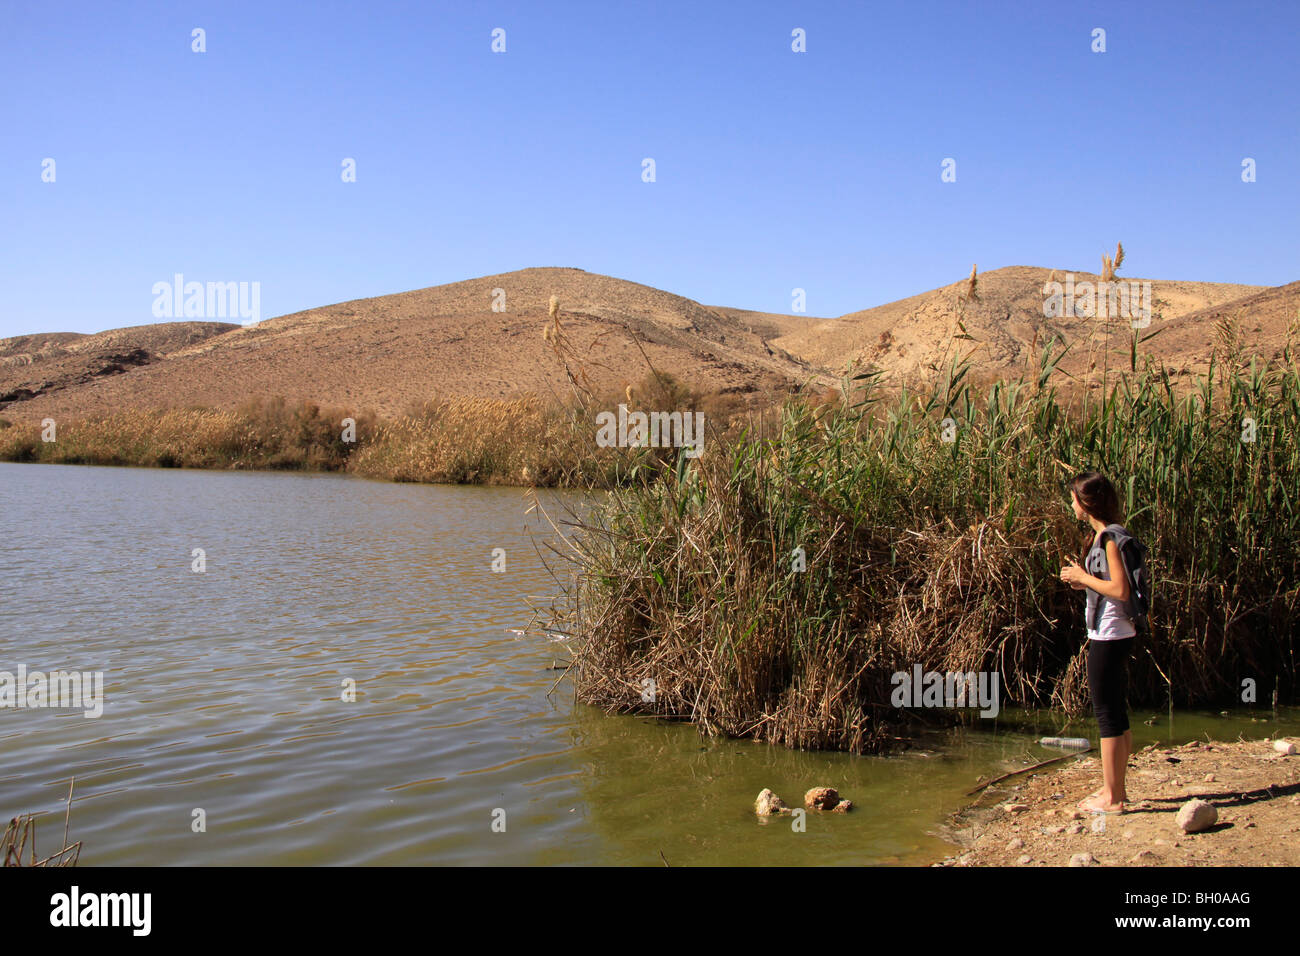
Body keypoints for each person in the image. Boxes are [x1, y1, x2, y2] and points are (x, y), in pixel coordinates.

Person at [1059, 471, 1135, 814]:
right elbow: (1110, 585)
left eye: (1073, 498)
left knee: (1106, 713)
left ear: (1085, 504)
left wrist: (1082, 576)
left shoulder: (1107, 539)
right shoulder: (1112, 536)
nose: (1070, 504)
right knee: (1116, 711)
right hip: (1118, 632)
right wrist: (1085, 581)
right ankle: (1116, 789)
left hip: (1109, 634)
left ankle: (1112, 796)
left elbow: (1120, 590)